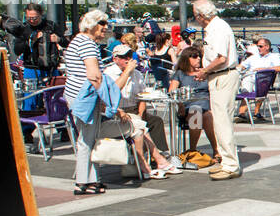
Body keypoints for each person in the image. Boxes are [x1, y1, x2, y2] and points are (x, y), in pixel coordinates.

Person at [103, 45, 179, 178]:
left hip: (134, 108)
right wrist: (127, 72)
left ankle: (161, 153)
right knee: (139, 124)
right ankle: (157, 159)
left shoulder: (136, 73)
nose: (128, 60)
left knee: (156, 121)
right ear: (115, 59)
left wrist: (141, 113)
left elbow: (141, 96)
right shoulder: (109, 73)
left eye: (129, 56)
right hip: (118, 111)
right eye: (124, 57)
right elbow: (111, 95)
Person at [191, 0, 241, 180]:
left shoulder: (218, 28)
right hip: (219, 76)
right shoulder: (215, 27)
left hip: (222, 76)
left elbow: (221, 58)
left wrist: (204, 70)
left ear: (200, 16)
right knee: (220, 121)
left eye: (195, 14)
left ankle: (230, 165)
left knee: (222, 121)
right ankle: (226, 162)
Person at [62, 10, 111, 195]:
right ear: (91, 24)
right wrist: (106, 98)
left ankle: (91, 179)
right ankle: (83, 181)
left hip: (77, 94)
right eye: (101, 23)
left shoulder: (78, 41)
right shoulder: (87, 44)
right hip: (85, 96)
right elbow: (94, 74)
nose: (105, 28)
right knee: (86, 139)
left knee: (87, 138)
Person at [169, 47, 219, 164]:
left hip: (206, 106)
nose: (198, 59)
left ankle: (216, 150)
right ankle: (192, 150)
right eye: (195, 57)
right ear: (187, 59)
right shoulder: (180, 74)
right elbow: (172, 91)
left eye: (199, 56)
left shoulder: (205, 72)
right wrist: (180, 105)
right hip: (188, 108)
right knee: (196, 111)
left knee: (207, 116)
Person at [10, 4, 67, 79]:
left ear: (41, 15)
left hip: (51, 69)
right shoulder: (23, 29)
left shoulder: (51, 25)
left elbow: (66, 43)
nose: (32, 20)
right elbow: (17, 50)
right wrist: (31, 39)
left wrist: (58, 39)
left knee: (51, 90)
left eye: (35, 18)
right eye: (29, 18)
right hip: (31, 69)